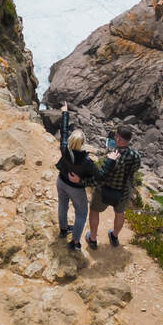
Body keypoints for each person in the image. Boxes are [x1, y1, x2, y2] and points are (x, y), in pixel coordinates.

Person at [87, 123, 141, 248]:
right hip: (123, 191)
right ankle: (114, 236)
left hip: (105, 190)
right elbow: (134, 169)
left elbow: (102, 175)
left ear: (118, 139)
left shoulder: (112, 157)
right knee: (120, 213)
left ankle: (93, 239)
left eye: (116, 136)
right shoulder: (136, 156)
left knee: (94, 210)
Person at [54, 102, 98, 251]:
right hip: (75, 189)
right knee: (81, 213)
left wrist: (65, 113)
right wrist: (82, 181)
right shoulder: (87, 161)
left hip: (61, 181)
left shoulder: (64, 149)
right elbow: (99, 178)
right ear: (83, 143)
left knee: (62, 205)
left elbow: (64, 131)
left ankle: (63, 229)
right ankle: (74, 243)